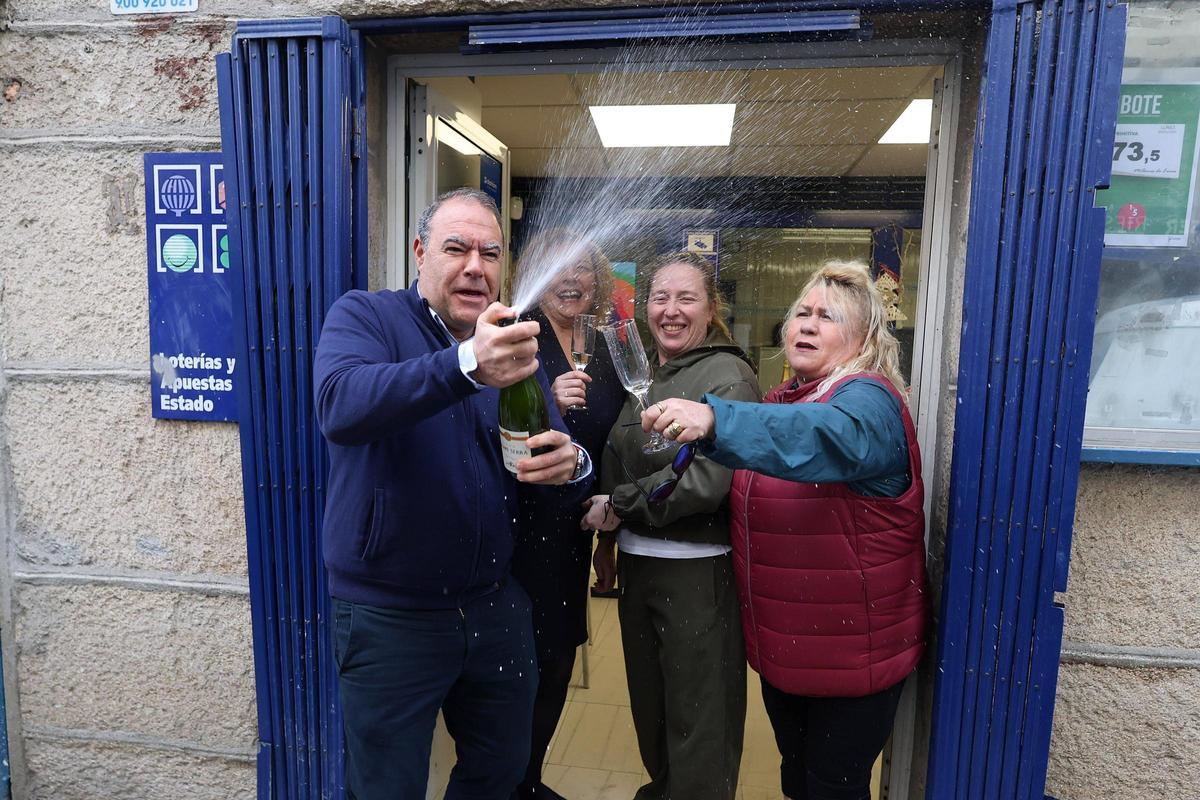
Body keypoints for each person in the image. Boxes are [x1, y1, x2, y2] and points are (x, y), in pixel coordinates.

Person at [313, 188, 593, 800]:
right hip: (389, 615)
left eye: (490, 253)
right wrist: (464, 364)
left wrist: (572, 465)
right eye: (456, 248)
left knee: (501, 772)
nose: (475, 266)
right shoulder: (367, 316)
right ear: (420, 253)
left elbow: (557, 441)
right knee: (386, 787)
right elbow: (342, 405)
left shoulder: (515, 337)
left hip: (493, 604)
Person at [641, 260, 930, 800]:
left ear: (863, 338)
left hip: (854, 658)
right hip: (788, 655)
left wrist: (717, 419)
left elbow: (825, 437)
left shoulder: (870, 401)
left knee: (831, 788)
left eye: (828, 317)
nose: (808, 324)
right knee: (797, 780)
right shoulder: (784, 401)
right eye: (802, 312)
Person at [580, 252, 760, 800]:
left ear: (712, 308)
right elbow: (618, 456)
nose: (671, 311)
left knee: (699, 724)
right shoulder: (645, 375)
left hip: (697, 576)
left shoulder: (729, 375)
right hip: (640, 570)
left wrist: (619, 505)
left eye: (687, 298)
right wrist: (607, 544)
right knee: (652, 713)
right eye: (660, 298)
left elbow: (709, 481)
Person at [509, 229, 625, 800]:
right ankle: (504, 781)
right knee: (515, 665)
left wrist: (611, 532)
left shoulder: (607, 348)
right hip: (516, 529)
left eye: (582, 267)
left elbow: (616, 444)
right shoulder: (512, 337)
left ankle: (528, 780)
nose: (570, 277)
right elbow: (494, 429)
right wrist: (550, 398)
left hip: (575, 532)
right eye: (556, 266)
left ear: (598, 279)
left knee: (557, 659)